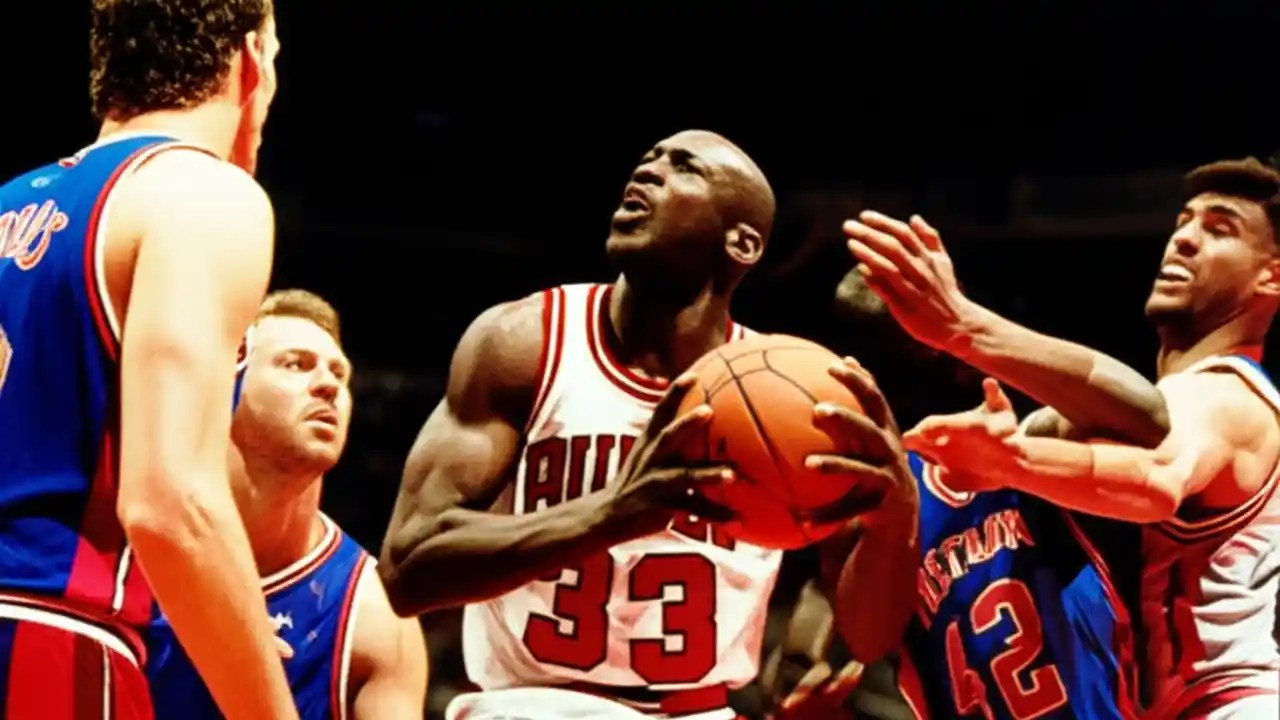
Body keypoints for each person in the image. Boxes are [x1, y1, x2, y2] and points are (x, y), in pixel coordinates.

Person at [378, 129, 918, 720]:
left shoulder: (800, 391)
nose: (648, 172)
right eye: (648, 161)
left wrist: (893, 527)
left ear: (742, 243)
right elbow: (407, 571)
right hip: (530, 702)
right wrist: (611, 514)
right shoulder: (525, 344)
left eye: (684, 168)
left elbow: (859, 624)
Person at [848, 157, 1280, 717]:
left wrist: (1009, 456)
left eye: (1219, 229)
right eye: (1183, 222)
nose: (1185, 240)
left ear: (1272, 276)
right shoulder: (1203, 398)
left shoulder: (1223, 394)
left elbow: (1155, 482)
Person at [0, 1, 295, 717]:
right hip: (51, 641)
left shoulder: (7, 203)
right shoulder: (202, 193)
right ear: (250, 62)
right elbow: (170, 505)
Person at [775, 268, 1148, 719]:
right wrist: (798, 674)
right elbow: (844, 629)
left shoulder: (1039, 437)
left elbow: (1148, 419)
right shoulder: (879, 508)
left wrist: (1015, 459)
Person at [146, 290, 429, 719]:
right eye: (295, 364)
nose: (328, 384)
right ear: (227, 384)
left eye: (340, 373)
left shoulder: (373, 616)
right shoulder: (133, 535)